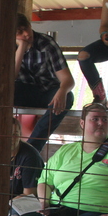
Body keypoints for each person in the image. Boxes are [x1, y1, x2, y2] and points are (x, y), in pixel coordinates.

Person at [14, 13, 76, 152]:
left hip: (49, 91)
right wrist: (21, 47)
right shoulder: (8, 46)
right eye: (19, 32)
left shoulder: (46, 44)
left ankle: (31, 148)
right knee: (2, 93)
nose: (26, 34)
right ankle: (6, 142)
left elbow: (68, 80)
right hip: (24, 91)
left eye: (26, 28)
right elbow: (11, 77)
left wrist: (62, 91)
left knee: (68, 97)